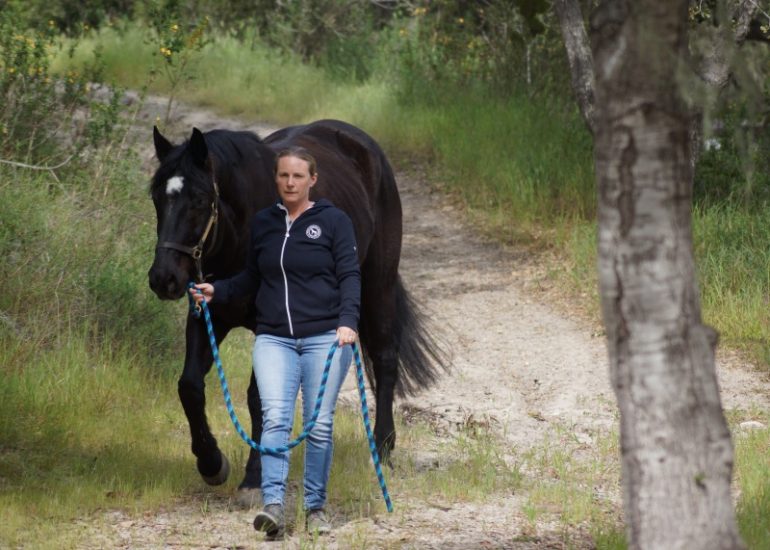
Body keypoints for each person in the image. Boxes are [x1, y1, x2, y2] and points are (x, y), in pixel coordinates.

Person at [189, 146, 360, 540]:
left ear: (312, 180)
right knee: (276, 419)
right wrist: (219, 291)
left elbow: (350, 276)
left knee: (318, 427)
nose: (290, 182)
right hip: (274, 339)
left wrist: (347, 323)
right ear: (276, 179)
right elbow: (252, 276)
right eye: (283, 176)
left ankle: (316, 508)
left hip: (325, 339)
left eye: (298, 176)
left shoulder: (333, 221)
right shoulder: (264, 223)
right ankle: (274, 506)